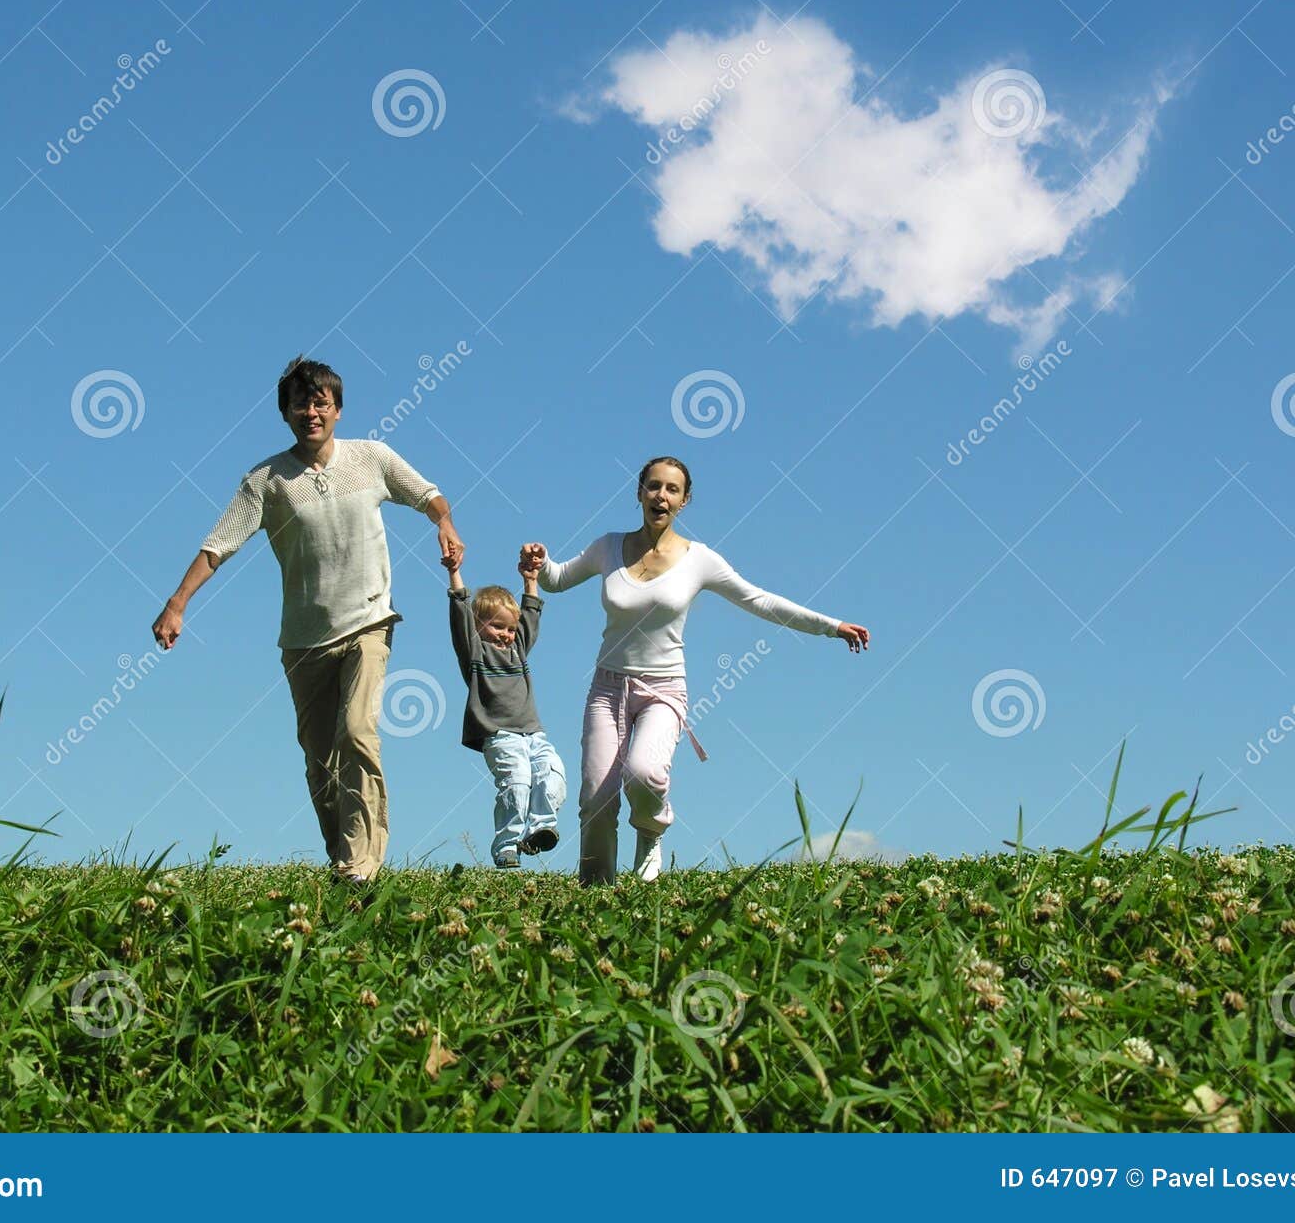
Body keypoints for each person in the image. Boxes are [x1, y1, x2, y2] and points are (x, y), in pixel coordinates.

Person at [151, 355, 465, 882]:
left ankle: (362, 865)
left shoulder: (372, 457)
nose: (311, 412)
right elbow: (217, 546)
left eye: (321, 402)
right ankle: (343, 857)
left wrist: (445, 524)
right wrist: (177, 602)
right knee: (321, 762)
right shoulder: (266, 481)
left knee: (358, 732)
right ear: (286, 413)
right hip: (303, 639)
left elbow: (429, 494)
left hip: (369, 622)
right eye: (301, 403)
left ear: (338, 409)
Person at [522, 456, 869, 886]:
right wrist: (539, 564)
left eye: (671, 489)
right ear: (639, 493)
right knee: (595, 795)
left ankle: (649, 835)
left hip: (663, 691)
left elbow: (758, 600)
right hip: (607, 688)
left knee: (645, 773)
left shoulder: (698, 559)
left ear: (685, 500)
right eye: (653, 486)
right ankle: (595, 889)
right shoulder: (607, 547)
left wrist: (830, 627)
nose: (660, 496)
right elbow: (558, 578)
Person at [443, 549, 567, 868]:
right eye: (498, 626)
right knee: (518, 780)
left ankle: (538, 829)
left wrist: (530, 580)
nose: (507, 634)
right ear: (478, 626)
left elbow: (531, 614)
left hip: (533, 733)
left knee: (552, 775)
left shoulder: (518, 649)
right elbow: (459, 614)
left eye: (511, 628)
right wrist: (455, 574)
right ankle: (507, 844)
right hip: (499, 734)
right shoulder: (474, 652)